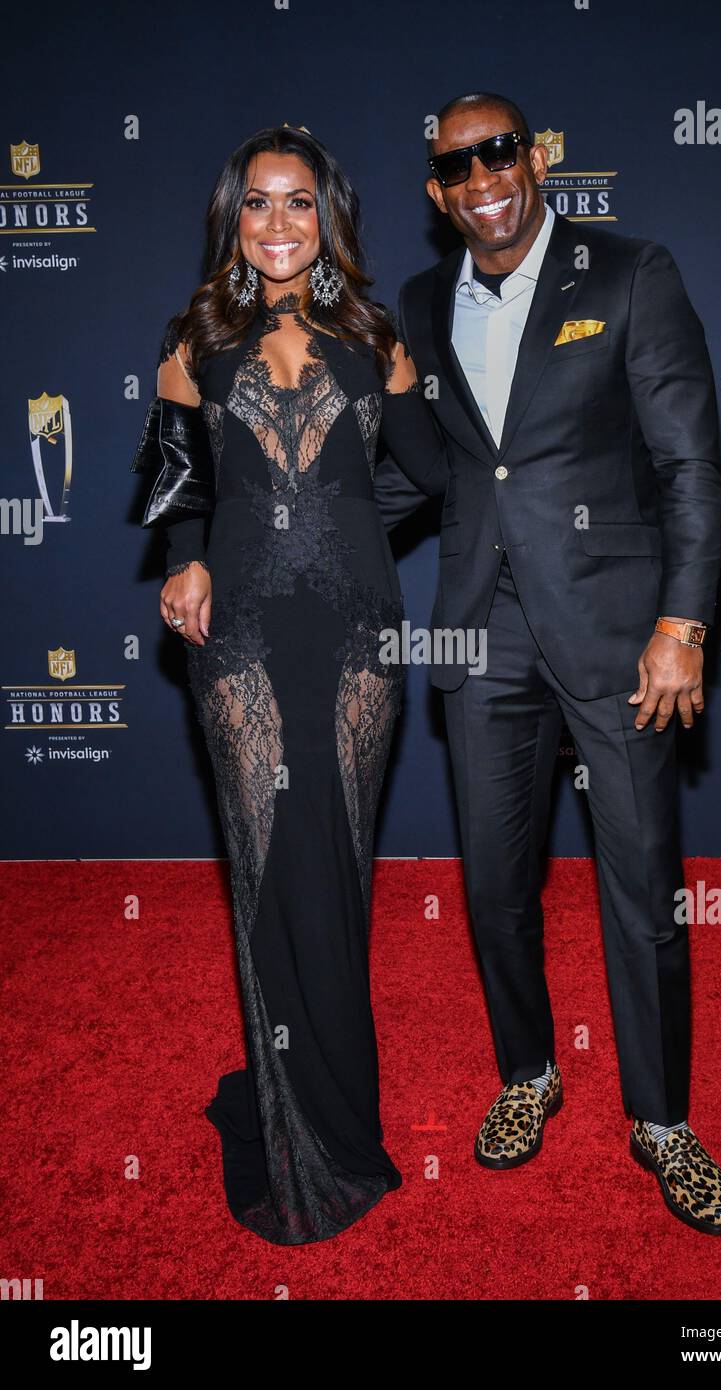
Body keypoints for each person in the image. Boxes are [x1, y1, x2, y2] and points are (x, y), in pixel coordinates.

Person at [375, 93, 721, 1234]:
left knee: (639, 896)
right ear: (437, 193)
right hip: (480, 632)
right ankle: (528, 1073)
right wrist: (274, 536)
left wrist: (683, 624)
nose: (481, 177)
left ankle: (662, 1122)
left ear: (531, 160)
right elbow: (431, 472)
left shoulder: (631, 271)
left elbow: (689, 465)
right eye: (455, 166)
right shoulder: (422, 303)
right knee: (493, 890)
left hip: (618, 635)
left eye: (497, 152)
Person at [144, 124, 447, 1245]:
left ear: (330, 217)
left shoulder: (375, 335)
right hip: (241, 638)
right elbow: (177, 485)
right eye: (259, 203)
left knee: (336, 868)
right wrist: (191, 553)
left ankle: (340, 1113)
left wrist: (349, 523)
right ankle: (289, 1136)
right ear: (234, 219)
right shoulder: (193, 338)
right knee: (267, 870)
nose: (280, 223)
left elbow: (432, 475)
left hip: (358, 632)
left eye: (301, 202)